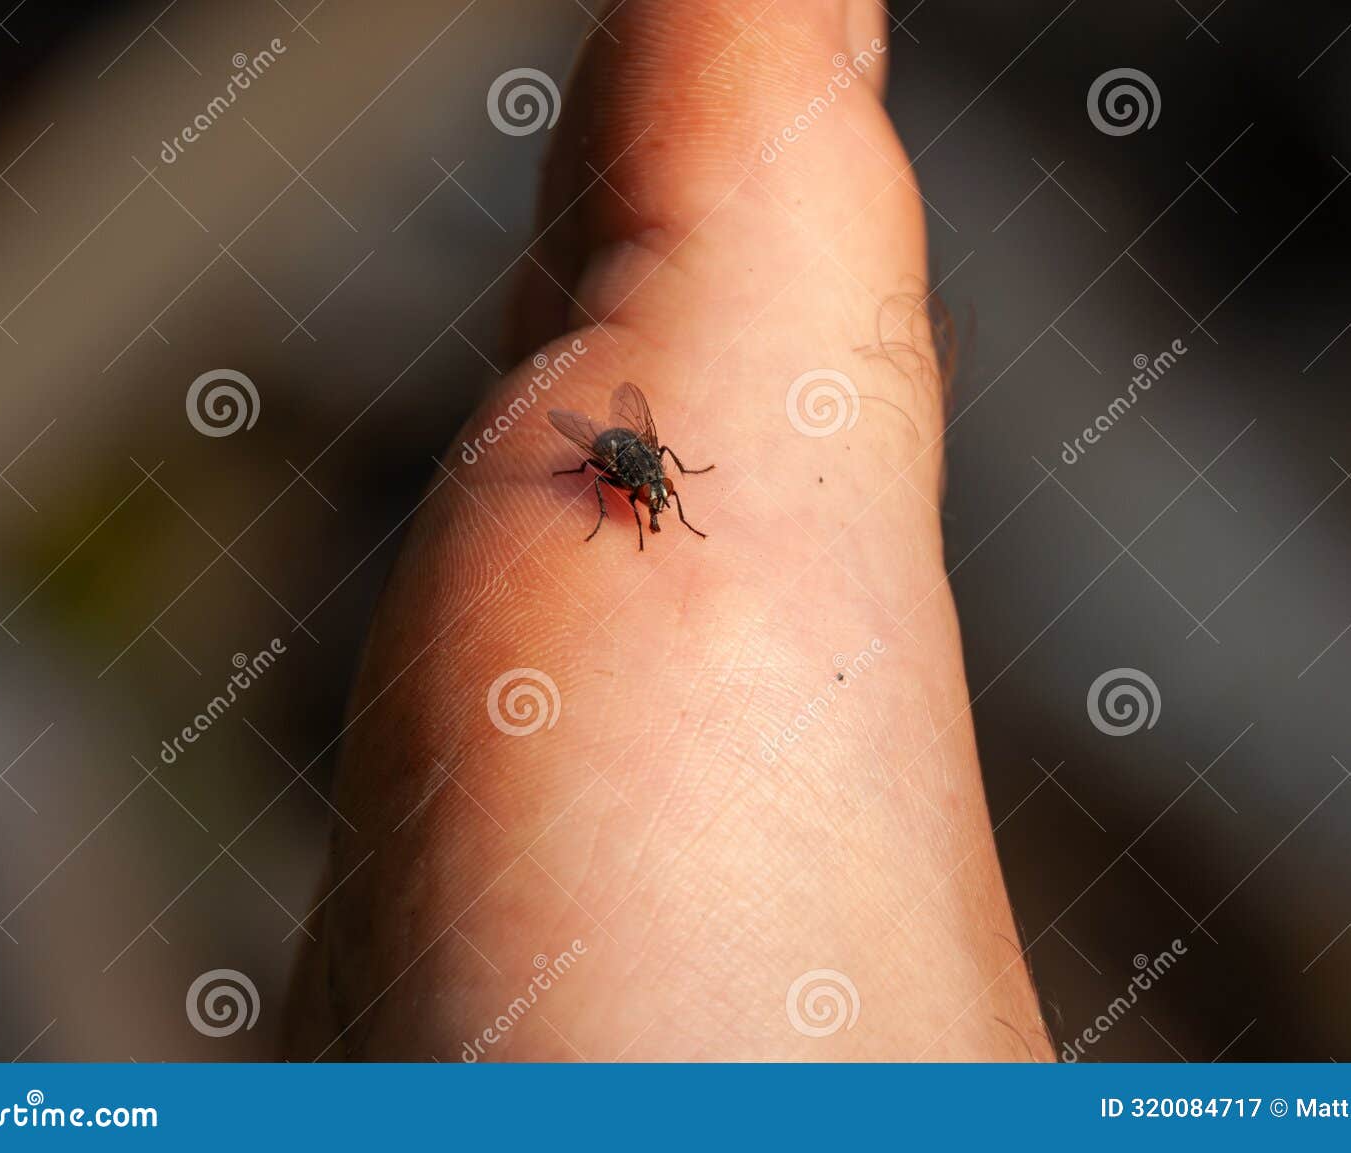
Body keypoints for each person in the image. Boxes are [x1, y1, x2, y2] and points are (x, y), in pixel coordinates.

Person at [289, 0, 1051, 1061]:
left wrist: (652, 488)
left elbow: (648, 459)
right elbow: (616, 453)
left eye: (645, 495)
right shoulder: (613, 463)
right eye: (641, 495)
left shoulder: (642, 467)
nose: (646, 497)